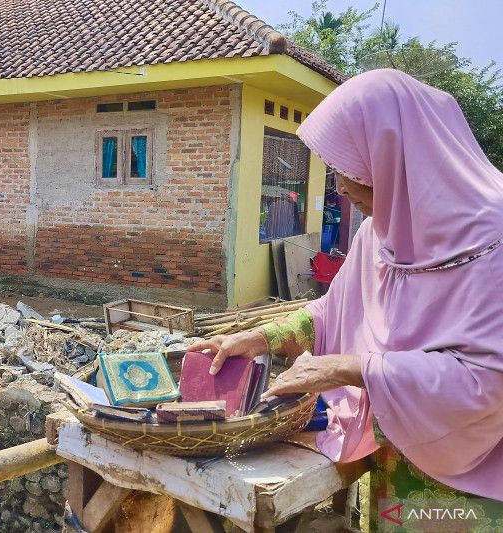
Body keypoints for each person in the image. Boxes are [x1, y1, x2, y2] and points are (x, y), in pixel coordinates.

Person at [189, 69, 503, 524]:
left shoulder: (491, 240)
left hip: (476, 477)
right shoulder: (382, 231)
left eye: (349, 171)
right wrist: (263, 337)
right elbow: (336, 310)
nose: (341, 190)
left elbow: (488, 383)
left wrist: (349, 368)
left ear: (397, 155)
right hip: (397, 449)